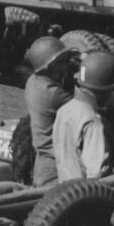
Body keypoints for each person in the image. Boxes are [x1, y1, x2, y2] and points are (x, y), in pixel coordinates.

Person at [52, 51, 114, 184]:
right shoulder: (93, 121)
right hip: (85, 196)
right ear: (105, 90)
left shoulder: (65, 110)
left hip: (65, 191)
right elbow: (97, 172)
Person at [23, 35, 77, 187]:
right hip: (56, 164)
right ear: (48, 67)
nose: (66, 66)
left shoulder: (33, 82)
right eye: (62, 63)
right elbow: (86, 105)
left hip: (43, 160)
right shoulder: (53, 94)